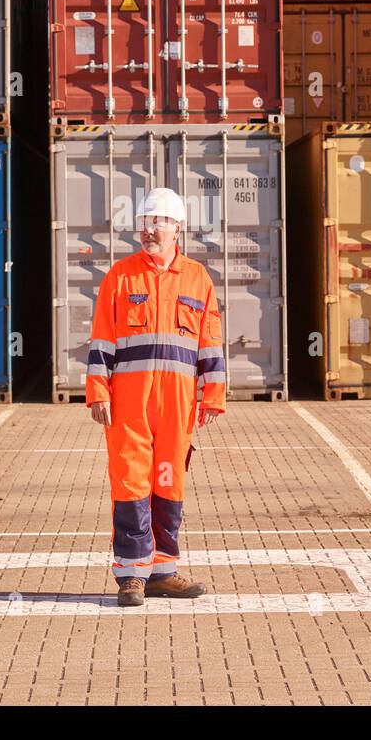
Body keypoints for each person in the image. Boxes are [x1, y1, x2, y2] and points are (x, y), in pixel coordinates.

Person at [86, 187, 226, 607]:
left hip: (178, 403)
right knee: (130, 481)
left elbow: (210, 341)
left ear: (177, 227)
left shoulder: (197, 278)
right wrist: (98, 391)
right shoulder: (120, 276)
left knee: (169, 481)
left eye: (158, 222)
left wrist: (212, 394)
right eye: (144, 222)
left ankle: (163, 572)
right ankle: (131, 576)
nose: (149, 229)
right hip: (129, 402)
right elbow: (102, 340)